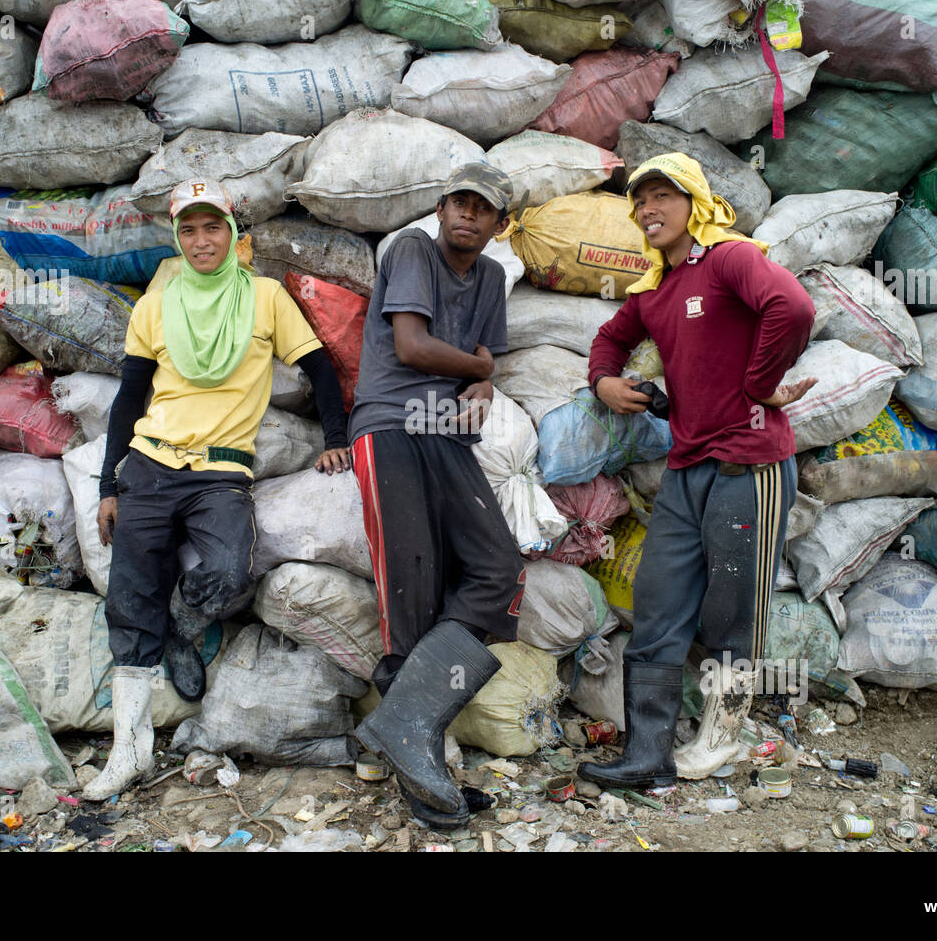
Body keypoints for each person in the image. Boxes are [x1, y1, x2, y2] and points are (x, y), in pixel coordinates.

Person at [83, 178, 351, 801]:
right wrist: (108, 485)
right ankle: (128, 752)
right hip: (148, 466)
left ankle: (182, 623)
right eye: (189, 230)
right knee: (128, 596)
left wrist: (336, 435)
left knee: (232, 570)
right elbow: (127, 401)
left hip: (222, 473)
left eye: (213, 228)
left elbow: (320, 370)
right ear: (176, 238)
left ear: (233, 233)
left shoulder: (264, 297)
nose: (201, 241)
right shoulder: (155, 305)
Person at [577, 152, 817, 788]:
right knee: (658, 605)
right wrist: (603, 382)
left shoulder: (729, 258)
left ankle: (724, 736)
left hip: (749, 468)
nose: (647, 209)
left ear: (696, 203)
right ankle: (647, 751)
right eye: (639, 201)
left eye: (662, 196)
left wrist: (760, 385)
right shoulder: (654, 289)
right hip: (686, 470)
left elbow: (791, 308)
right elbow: (609, 338)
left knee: (733, 609)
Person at [349, 162, 526, 829]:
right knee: (414, 589)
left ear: (499, 224)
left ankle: (408, 727)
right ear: (440, 205)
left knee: (497, 567)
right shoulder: (412, 249)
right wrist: (477, 367)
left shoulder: (492, 279)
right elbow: (414, 346)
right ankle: (423, 769)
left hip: (449, 437)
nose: (467, 215)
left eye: (482, 209)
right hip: (391, 426)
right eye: (459, 202)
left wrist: (483, 385)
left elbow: (486, 365)